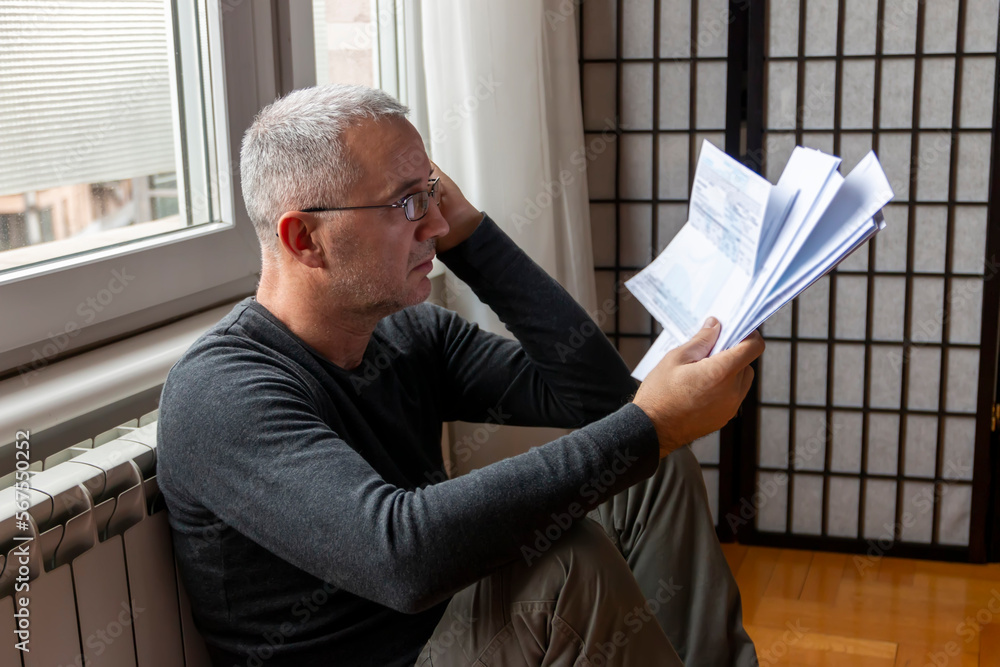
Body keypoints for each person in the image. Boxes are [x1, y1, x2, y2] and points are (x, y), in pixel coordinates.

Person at [156, 83, 765, 667]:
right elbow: (402, 556)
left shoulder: (407, 337)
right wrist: (649, 425)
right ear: (305, 239)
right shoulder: (221, 392)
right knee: (568, 563)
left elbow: (603, 402)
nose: (437, 225)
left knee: (649, 471)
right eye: (407, 204)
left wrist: (474, 237)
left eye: (433, 195)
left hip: (448, 631)